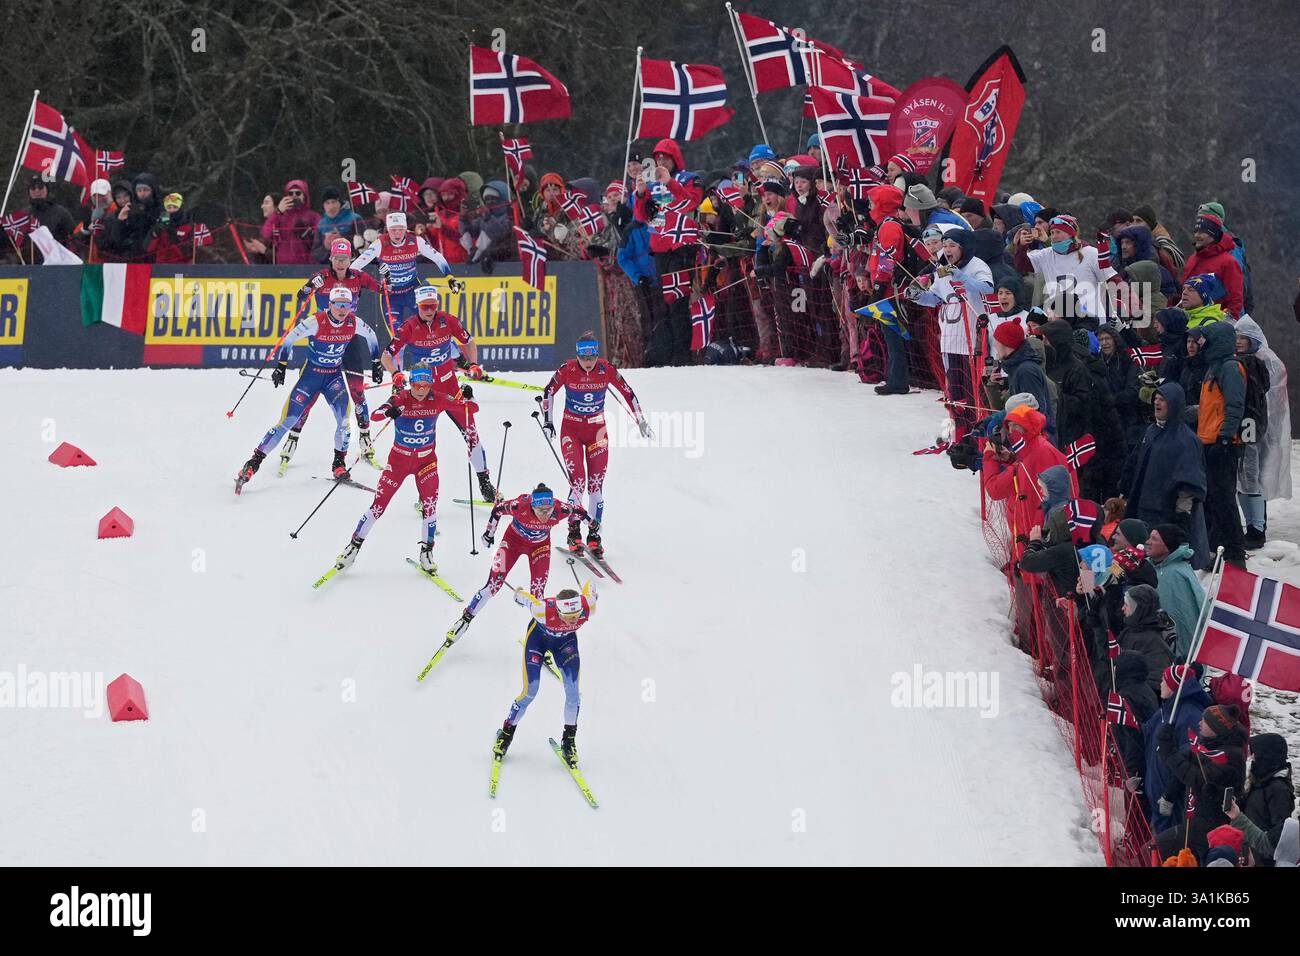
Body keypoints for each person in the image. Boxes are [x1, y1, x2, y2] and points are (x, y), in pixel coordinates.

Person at [331, 362, 474, 575]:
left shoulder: (438, 398)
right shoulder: (401, 398)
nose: (421, 390)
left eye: (425, 385)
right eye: (417, 385)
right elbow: (377, 415)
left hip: (426, 463)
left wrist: (467, 398)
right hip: (398, 462)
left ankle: (426, 553)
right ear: (411, 383)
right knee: (378, 506)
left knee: (430, 507)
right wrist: (391, 411)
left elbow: (471, 409)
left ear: (430, 384)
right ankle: (353, 547)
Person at [234, 286, 379, 492]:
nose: (342, 309)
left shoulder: (353, 322)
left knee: (345, 422)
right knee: (288, 421)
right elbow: (289, 339)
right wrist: (281, 367)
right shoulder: (316, 321)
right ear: (330, 304)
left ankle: (339, 464)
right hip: (311, 376)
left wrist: (376, 362)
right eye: (338, 304)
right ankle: (252, 464)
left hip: (333, 378)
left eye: (346, 305)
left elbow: (372, 336)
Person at [540, 332, 650, 557]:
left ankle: (594, 535)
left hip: (597, 431)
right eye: (584, 358)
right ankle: (573, 531)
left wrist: (640, 419)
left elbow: (628, 393)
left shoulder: (606, 369)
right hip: (571, 430)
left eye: (592, 358)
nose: (588, 363)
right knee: (578, 482)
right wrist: (548, 421)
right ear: (577, 356)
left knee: (596, 486)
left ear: (597, 356)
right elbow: (548, 391)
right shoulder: (567, 369)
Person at [381, 285, 494, 501]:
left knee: (471, 432)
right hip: (423, 392)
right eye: (425, 307)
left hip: (450, 386)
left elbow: (468, 342)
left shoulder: (448, 320)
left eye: (433, 306)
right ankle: (424, 495)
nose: (430, 311)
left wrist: (474, 364)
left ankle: (485, 484)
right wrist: (395, 373)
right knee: (420, 443)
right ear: (418, 306)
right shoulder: (409, 327)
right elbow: (387, 355)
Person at [281, 239, 386, 471]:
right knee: (309, 394)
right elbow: (301, 296)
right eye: (337, 258)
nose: (340, 263)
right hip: (321, 340)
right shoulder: (321, 276)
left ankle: (365, 438)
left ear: (350, 259)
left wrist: (385, 273)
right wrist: (310, 287)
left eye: (345, 259)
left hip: (349, 340)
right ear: (331, 259)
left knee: (358, 393)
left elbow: (383, 290)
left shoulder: (358, 277)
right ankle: (293, 438)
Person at [454, 484, 591, 635]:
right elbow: (498, 509)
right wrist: (489, 533)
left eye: (549, 510)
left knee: (537, 596)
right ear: (532, 506)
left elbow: (580, 511)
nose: (545, 514)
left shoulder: (560, 509)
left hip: (540, 547)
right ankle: (465, 619)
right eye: (540, 510)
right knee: (493, 585)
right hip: (512, 543)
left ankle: (540, 636)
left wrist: (593, 524)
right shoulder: (520, 505)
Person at [492, 581, 598, 770]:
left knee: (573, 694)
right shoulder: (542, 610)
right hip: (538, 641)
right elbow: (526, 598)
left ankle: (569, 741)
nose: (573, 621)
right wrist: (518, 595)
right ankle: (506, 734)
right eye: (568, 616)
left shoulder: (588, 606)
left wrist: (589, 589)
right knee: (530, 691)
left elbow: (591, 587)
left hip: (565, 644)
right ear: (558, 611)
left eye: (576, 616)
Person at [914, 230, 992, 437]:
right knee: (955, 389)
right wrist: (918, 296)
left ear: (963, 248)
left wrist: (961, 277)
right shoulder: (941, 268)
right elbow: (937, 298)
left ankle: (977, 431)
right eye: (945, 245)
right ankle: (960, 431)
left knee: (972, 388)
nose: (946, 250)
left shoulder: (976, 265)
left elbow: (986, 288)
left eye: (952, 246)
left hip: (971, 338)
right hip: (949, 336)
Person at [1122, 382, 1208, 567]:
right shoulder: (1152, 431)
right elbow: (1135, 461)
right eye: (1156, 399)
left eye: (1163, 400)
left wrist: (1182, 512)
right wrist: (1124, 485)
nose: (1157, 403)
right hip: (1143, 507)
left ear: (1175, 404)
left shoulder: (1186, 439)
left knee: (1162, 561)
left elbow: (1190, 481)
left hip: (1167, 513)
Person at [1153, 702, 1248, 861]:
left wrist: (1169, 754)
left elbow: (1197, 778)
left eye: (1205, 720)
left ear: (1216, 728)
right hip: (1194, 821)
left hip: (1209, 828)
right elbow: (1185, 764)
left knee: (1152, 850)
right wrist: (1170, 743)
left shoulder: (1231, 757)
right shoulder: (1208, 744)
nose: (1199, 723)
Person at [1192, 322, 1247, 566]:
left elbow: (1235, 405)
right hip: (1209, 442)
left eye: (1204, 339)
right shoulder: (1213, 368)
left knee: (1224, 500)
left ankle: (1235, 553)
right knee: (1214, 499)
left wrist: (1226, 436)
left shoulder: (1230, 368)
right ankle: (1218, 548)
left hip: (1222, 444)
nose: (1200, 343)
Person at [1234, 317, 1291, 548]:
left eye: (1242, 338)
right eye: (1236, 338)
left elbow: (1270, 395)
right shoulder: (1241, 360)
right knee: (1242, 477)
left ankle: (1257, 527)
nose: (1238, 342)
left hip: (1256, 426)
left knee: (1251, 475)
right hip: (1247, 424)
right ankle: (1252, 525)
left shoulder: (1266, 360)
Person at [352, 212, 453, 332]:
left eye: (400, 229)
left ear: (406, 229)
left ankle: (451, 349)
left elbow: (437, 257)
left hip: (413, 290)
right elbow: (356, 265)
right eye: (393, 230)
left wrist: (450, 277)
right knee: (397, 335)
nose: (397, 233)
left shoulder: (415, 240)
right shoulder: (380, 243)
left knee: (432, 327)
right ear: (387, 230)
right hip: (391, 293)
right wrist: (351, 283)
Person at [1142, 663, 1211, 832]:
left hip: (1172, 796)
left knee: (1167, 842)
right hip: (1157, 788)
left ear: (1175, 686)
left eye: (1164, 681)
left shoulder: (1190, 715)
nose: (1160, 684)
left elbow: (1190, 758)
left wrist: (1170, 794)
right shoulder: (1166, 710)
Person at [1015, 214, 1118, 322]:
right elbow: (1022, 264)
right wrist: (1022, 246)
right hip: (1061, 320)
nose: (1054, 236)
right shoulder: (1046, 255)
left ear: (1070, 234)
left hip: (1091, 318)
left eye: (1058, 232)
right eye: (1052, 232)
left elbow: (1112, 278)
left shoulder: (1090, 253)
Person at [864, 184, 911, 395]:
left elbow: (888, 258)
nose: (870, 205)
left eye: (874, 201)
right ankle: (894, 376)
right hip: (885, 289)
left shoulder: (890, 226)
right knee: (890, 335)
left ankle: (898, 380)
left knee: (894, 336)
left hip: (889, 291)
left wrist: (878, 285)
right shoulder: (884, 224)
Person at [1144, 524, 1205, 660]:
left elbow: (1196, 609)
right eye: (1149, 537)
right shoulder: (1144, 568)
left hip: (1182, 649)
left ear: (1167, 546)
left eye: (1154, 539)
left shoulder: (1179, 573)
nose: (1148, 542)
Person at [1237, 733, 1295, 867]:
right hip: (1251, 850)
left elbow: (1279, 833)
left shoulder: (1278, 789)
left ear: (1266, 756)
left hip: (1261, 857)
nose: (1252, 758)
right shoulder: (1262, 780)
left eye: (1255, 753)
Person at [1181, 214, 1242, 319]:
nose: (1196, 235)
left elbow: (1235, 299)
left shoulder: (1228, 262)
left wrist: (1227, 322)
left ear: (1213, 235)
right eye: (1195, 231)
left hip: (1212, 324)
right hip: (1189, 320)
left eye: (1201, 232)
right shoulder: (1193, 258)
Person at [261, 179, 321, 265]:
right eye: (290, 193)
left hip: (307, 266)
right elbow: (266, 234)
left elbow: (320, 239)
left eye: (298, 193)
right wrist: (278, 212)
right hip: (283, 267)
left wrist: (309, 235)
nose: (294, 196)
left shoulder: (313, 216)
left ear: (304, 196)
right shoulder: (280, 216)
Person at [310, 185, 363, 262]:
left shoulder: (355, 219)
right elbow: (315, 253)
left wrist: (343, 242)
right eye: (327, 203)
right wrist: (326, 247)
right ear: (323, 205)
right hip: (328, 268)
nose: (331, 206)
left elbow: (363, 247)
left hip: (351, 265)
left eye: (334, 202)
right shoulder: (321, 224)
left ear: (340, 203)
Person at [25, 175, 76, 249]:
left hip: (57, 258)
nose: (37, 190)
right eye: (32, 187)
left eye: (40, 186)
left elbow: (75, 237)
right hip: (29, 259)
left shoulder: (60, 213)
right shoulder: (23, 215)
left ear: (47, 189)